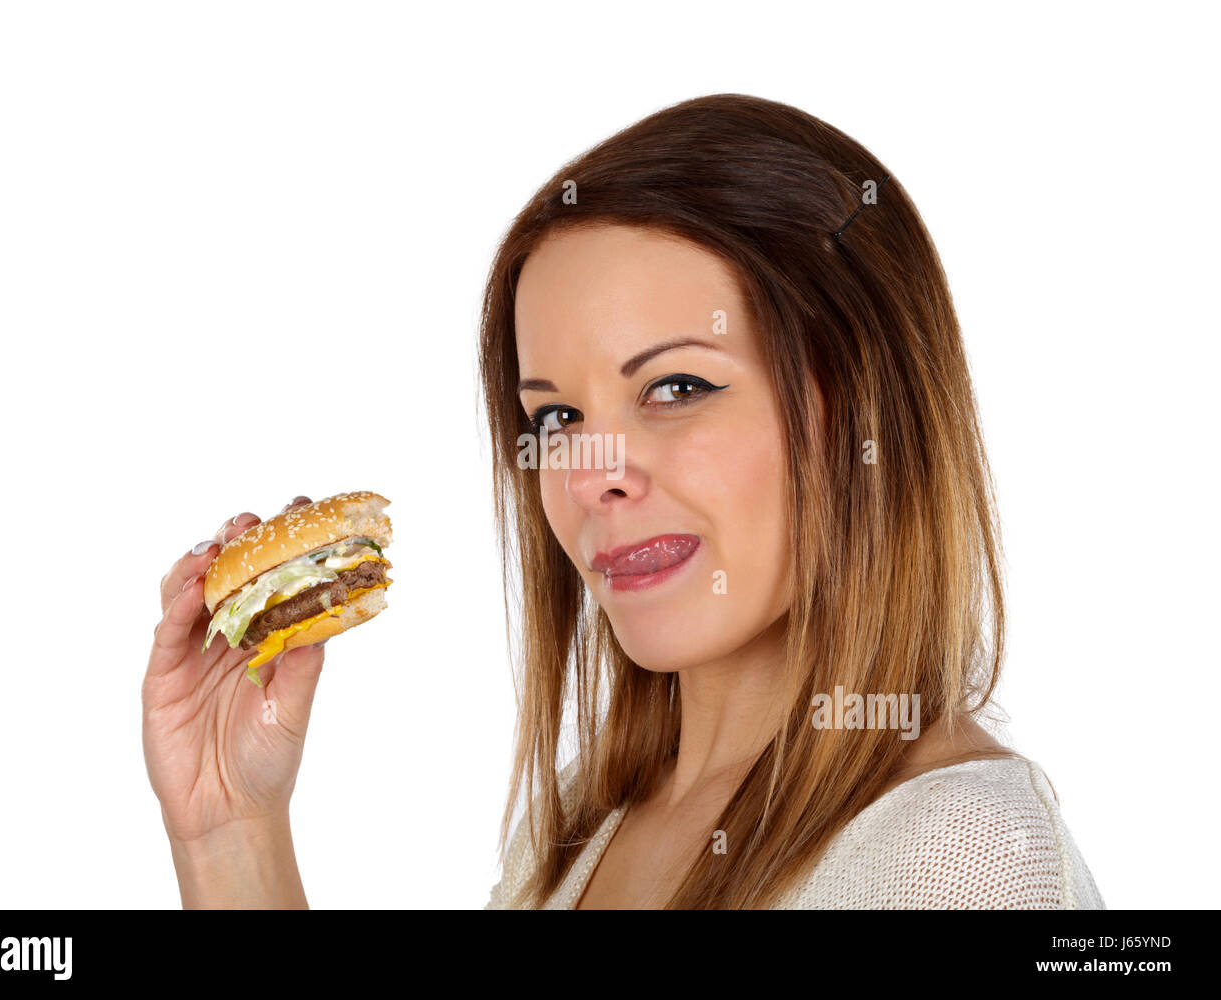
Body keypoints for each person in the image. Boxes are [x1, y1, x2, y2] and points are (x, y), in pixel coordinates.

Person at [144, 93, 1104, 909]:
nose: (590, 470)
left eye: (677, 388)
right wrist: (233, 833)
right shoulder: (580, 830)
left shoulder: (962, 861)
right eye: (557, 414)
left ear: (864, 410)